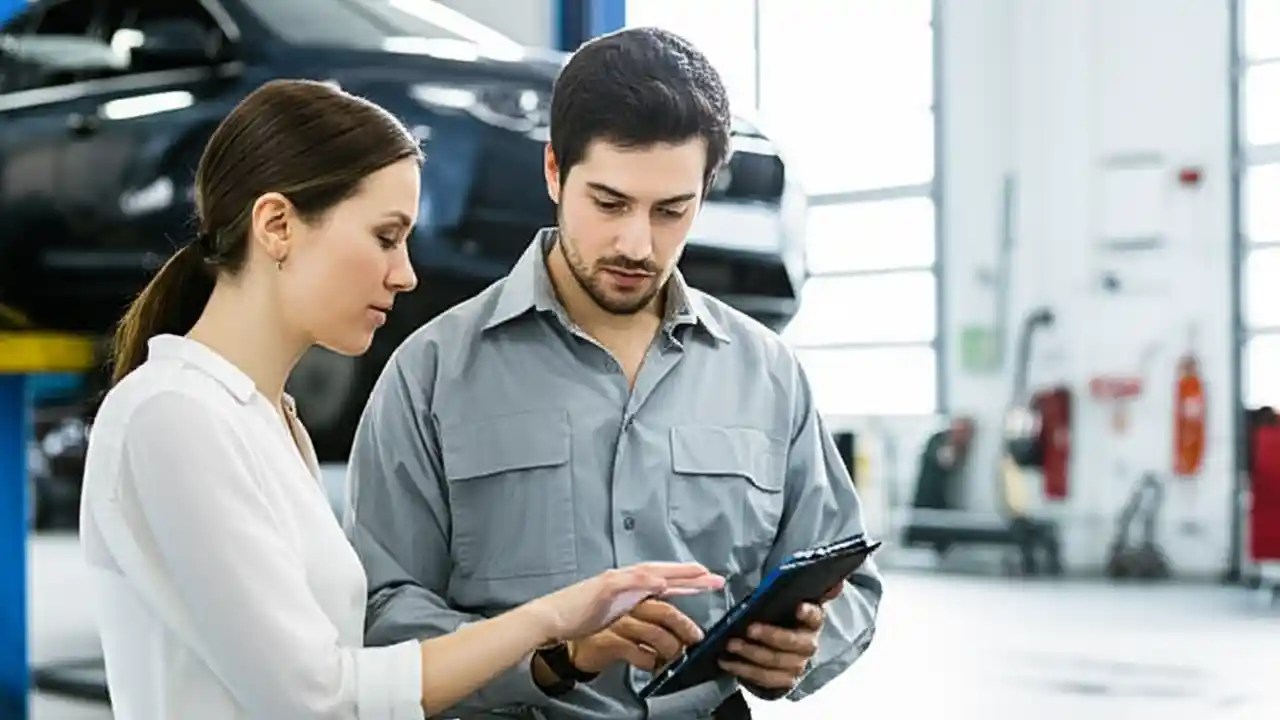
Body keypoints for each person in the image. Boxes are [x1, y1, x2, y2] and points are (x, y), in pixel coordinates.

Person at [77, 78, 725, 720]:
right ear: (277, 225)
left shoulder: (267, 420)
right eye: (386, 237)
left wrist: (563, 651)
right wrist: (550, 616)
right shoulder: (175, 417)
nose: (406, 273)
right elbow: (319, 699)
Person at [345, 28, 883, 720]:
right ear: (553, 173)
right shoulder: (431, 372)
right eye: (609, 203)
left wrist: (803, 648)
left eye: (671, 211)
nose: (637, 243)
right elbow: (385, 613)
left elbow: (850, 586)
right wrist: (550, 657)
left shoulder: (768, 373)